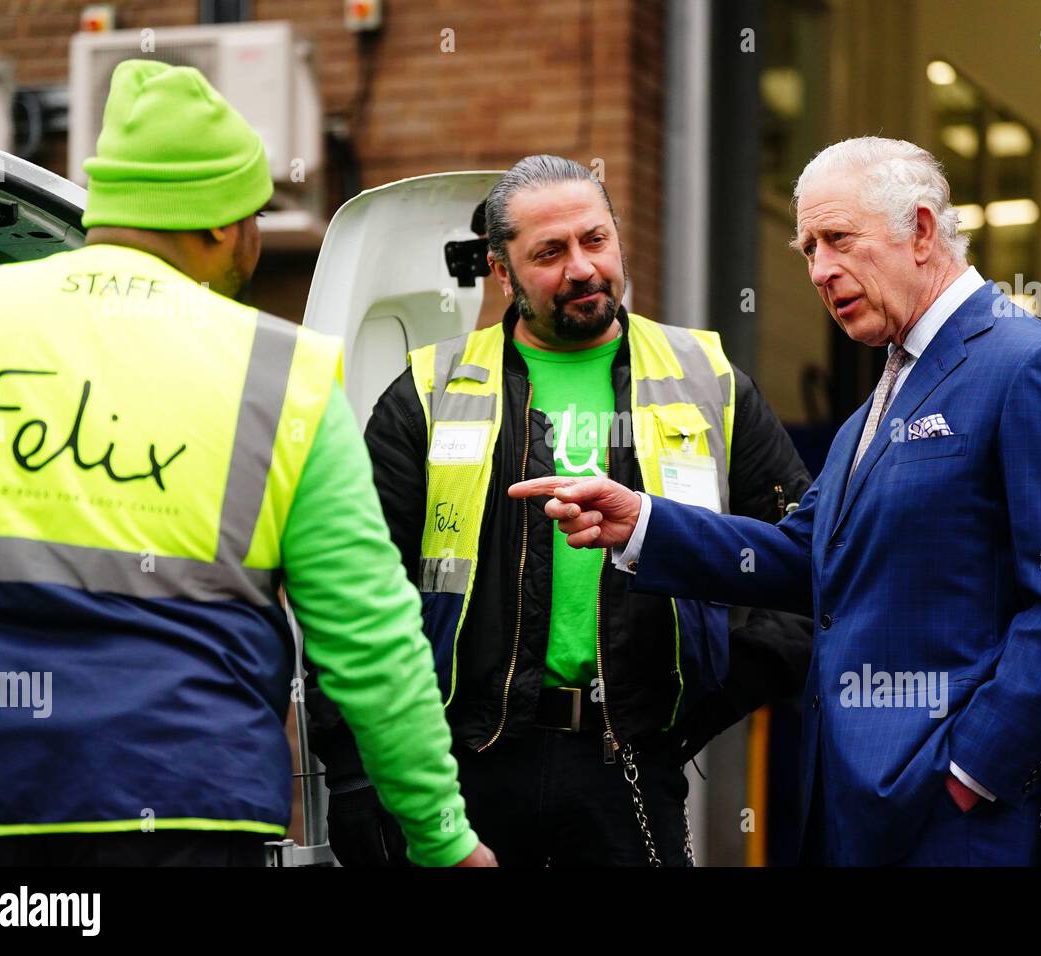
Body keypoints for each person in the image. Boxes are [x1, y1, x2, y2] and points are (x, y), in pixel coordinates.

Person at [511, 136, 1041, 866]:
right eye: (807, 248)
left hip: (958, 822)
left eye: (838, 239)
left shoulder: (1031, 367)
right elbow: (804, 555)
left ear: (922, 231)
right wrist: (640, 521)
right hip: (852, 812)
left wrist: (970, 770)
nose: (819, 270)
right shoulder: (880, 401)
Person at [0, 60, 492, 868]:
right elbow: (370, 637)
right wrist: (441, 836)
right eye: (254, 216)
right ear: (217, 226)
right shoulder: (284, 372)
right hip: (188, 808)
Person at [307, 154, 812, 866]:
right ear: (502, 271)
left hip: (630, 764)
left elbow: (802, 562)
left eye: (595, 240)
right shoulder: (429, 388)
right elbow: (349, 593)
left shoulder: (707, 378)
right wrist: (357, 778)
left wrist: (702, 703)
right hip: (463, 766)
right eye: (549, 252)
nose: (581, 268)